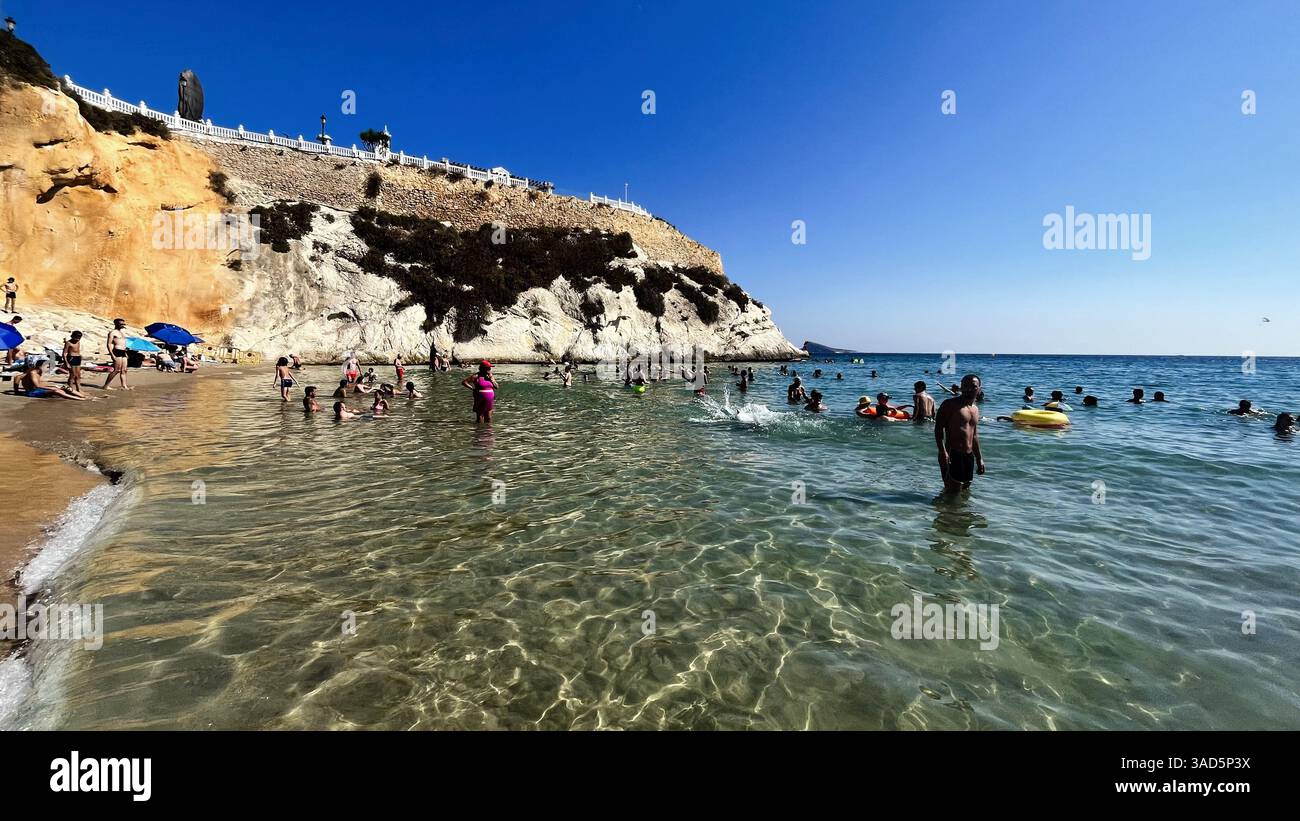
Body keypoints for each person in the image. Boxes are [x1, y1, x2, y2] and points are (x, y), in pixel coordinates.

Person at [935, 374, 985, 492]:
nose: (968, 389)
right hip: (952, 453)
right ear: (961, 387)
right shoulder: (949, 405)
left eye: (973, 386)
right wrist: (942, 451)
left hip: (968, 455)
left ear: (979, 389)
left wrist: (979, 458)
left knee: (965, 489)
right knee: (953, 491)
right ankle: (946, 510)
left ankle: (959, 511)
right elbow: (938, 429)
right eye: (965, 386)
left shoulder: (975, 409)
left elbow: (974, 435)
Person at [16, 362, 86, 400]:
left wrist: (53, 386)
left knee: (64, 387)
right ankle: (77, 399)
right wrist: (16, 391)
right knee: (56, 390)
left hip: (39, 389)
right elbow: (37, 385)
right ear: (40, 366)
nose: (48, 368)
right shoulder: (32, 373)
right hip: (32, 392)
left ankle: (82, 396)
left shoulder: (38, 372)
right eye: (46, 367)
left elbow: (39, 384)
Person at [102, 317, 130, 390]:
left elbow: (123, 343)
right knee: (117, 370)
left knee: (124, 370)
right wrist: (112, 354)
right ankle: (106, 385)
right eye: (121, 324)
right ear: (116, 324)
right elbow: (109, 344)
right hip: (116, 351)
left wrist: (126, 353)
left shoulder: (122, 333)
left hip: (123, 352)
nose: (123, 325)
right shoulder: (112, 332)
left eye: (123, 324)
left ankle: (124, 386)